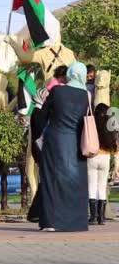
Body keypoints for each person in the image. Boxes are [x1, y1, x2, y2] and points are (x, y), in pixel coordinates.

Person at [38, 62, 90, 232]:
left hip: (55, 141)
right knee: (76, 182)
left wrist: (37, 134)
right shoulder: (86, 95)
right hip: (77, 143)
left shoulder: (57, 91)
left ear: (69, 74)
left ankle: (51, 222)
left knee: (51, 180)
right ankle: (77, 222)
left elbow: (43, 116)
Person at [27, 66, 68, 223]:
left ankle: (39, 212)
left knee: (46, 179)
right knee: (49, 179)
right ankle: (37, 212)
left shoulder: (47, 90)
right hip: (45, 145)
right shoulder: (54, 91)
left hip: (41, 145)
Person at [87, 103, 118, 225]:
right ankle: (101, 218)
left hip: (93, 157)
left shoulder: (92, 124)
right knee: (101, 187)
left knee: (92, 186)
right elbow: (116, 146)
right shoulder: (109, 126)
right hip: (105, 157)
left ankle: (93, 217)